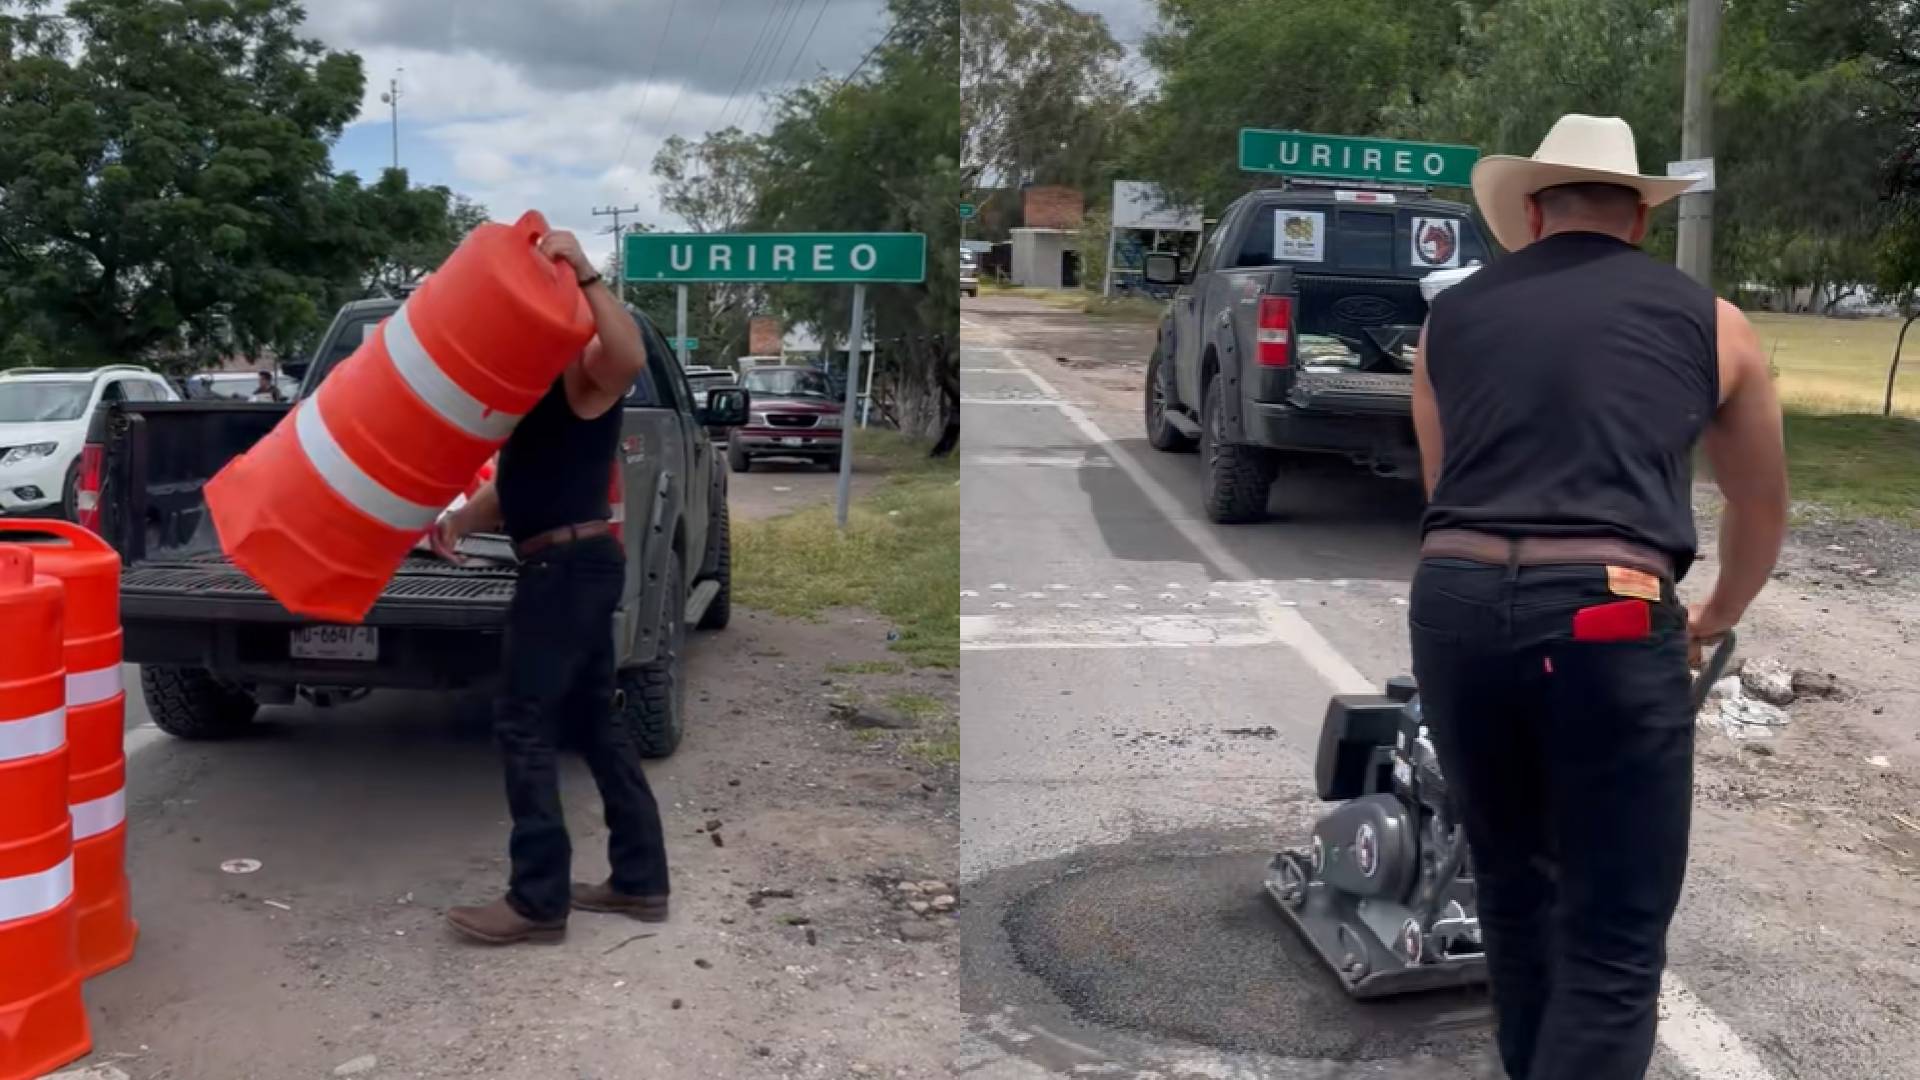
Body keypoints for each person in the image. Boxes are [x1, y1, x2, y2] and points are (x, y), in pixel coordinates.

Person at [1409, 114, 1788, 1079]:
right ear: (1640, 222)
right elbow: (1758, 502)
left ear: (1532, 213)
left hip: (1454, 602)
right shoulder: (1715, 323)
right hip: (1611, 610)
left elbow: (1444, 487)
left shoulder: (1448, 318)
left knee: (1514, 890)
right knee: (1614, 932)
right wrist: (1712, 618)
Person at [432, 229, 671, 945]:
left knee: (522, 722)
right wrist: (458, 520)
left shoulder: (582, 370)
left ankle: (538, 900)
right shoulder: (530, 393)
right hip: (572, 565)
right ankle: (639, 881)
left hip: (566, 570)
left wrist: (589, 275)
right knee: (595, 723)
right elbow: (515, 489)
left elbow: (630, 357)